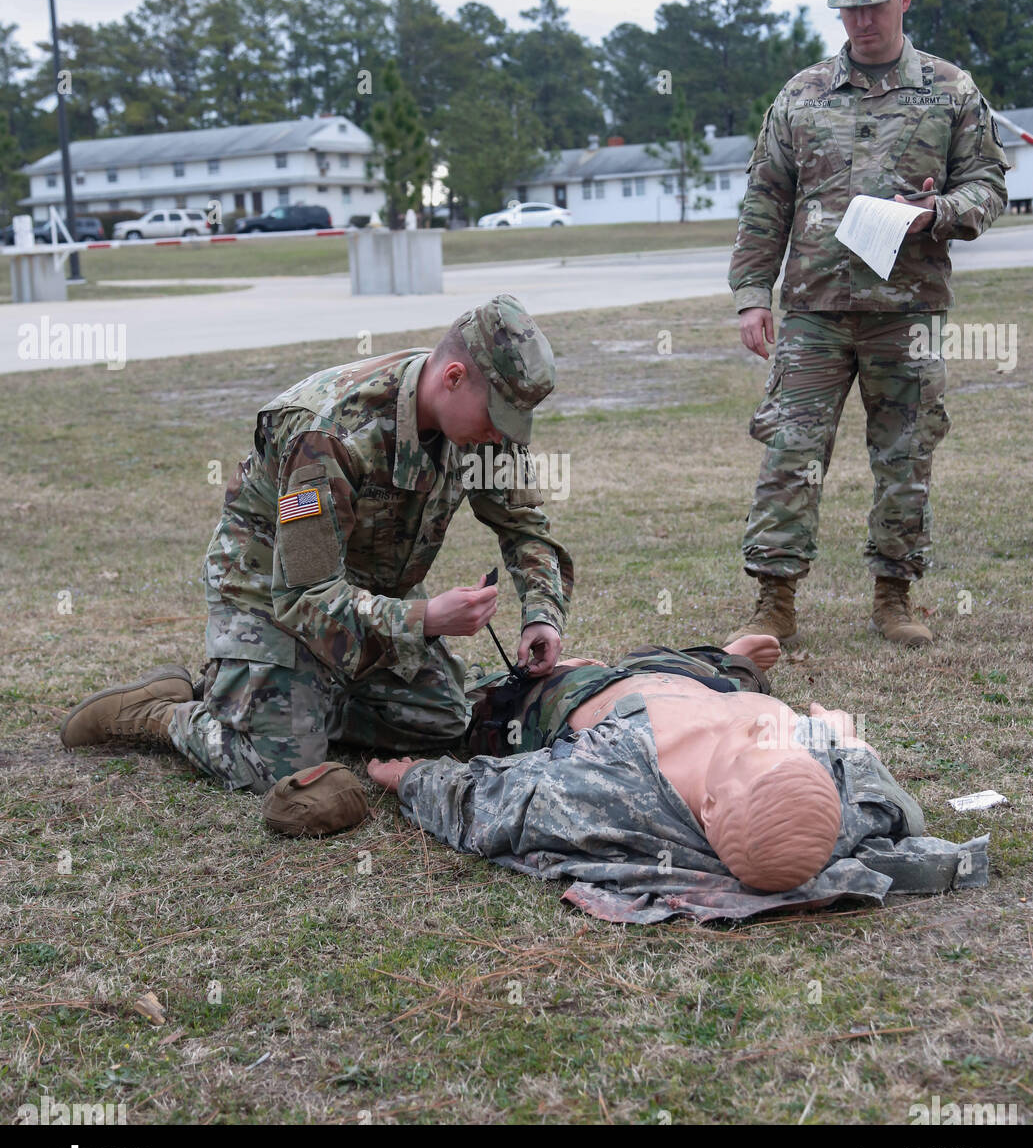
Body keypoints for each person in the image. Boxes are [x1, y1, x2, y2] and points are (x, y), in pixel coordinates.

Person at [59, 295, 574, 817]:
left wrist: (542, 616)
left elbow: (524, 527)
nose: (503, 434)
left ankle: (289, 697)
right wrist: (425, 617)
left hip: (366, 596)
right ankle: (164, 712)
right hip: (269, 596)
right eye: (498, 415)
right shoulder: (329, 432)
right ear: (455, 377)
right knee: (282, 768)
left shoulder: (483, 429)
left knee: (441, 722)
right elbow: (304, 594)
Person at [728, 0, 1009, 648]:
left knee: (905, 456)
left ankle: (893, 594)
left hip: (905, 311)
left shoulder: (949, 91)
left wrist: (936, 212)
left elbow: (987, 186)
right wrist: (751, 294)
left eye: (874, 5)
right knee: (790, 454)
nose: (861, 21)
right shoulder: (801, 94)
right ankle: (774, 599)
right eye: (847, 9)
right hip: (814, 314)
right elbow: (766, 197)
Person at [368, 631, 987, 923]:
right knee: (740, 680)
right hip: (698, 681)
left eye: (751, 750)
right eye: (781, 746)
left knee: (440, 706)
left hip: (577, 695)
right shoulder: (824, 788)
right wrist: (840, 735)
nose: (763, 737)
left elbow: (489, 803)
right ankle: (723, 657)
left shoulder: (611, 786)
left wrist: (406, 774)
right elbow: (876, 785)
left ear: (711, 809)